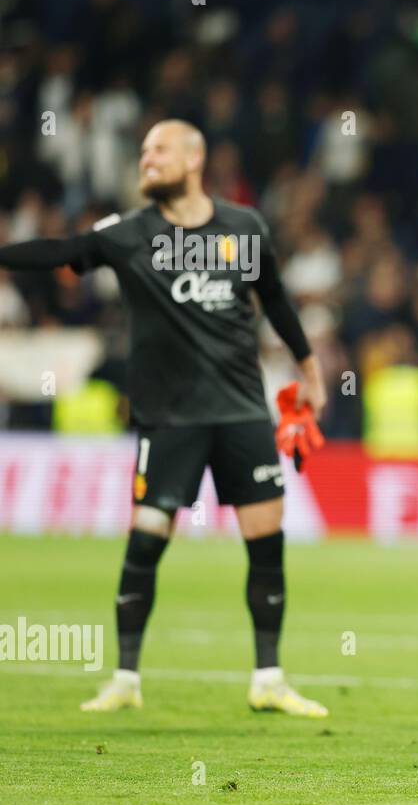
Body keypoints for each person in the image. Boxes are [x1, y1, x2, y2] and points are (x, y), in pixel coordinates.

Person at [0, 120, 328, 717]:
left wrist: (307, 367)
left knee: (266, 544)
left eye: (158, 150)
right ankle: (125, 678)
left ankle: (269, 678)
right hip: (169, 420)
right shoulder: (129, 234)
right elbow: (61, 251)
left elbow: (275, 299)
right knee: (147, 539)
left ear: (193, 158)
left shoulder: (244, 228)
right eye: (143, 151)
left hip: (241, 414)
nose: (146, 159)